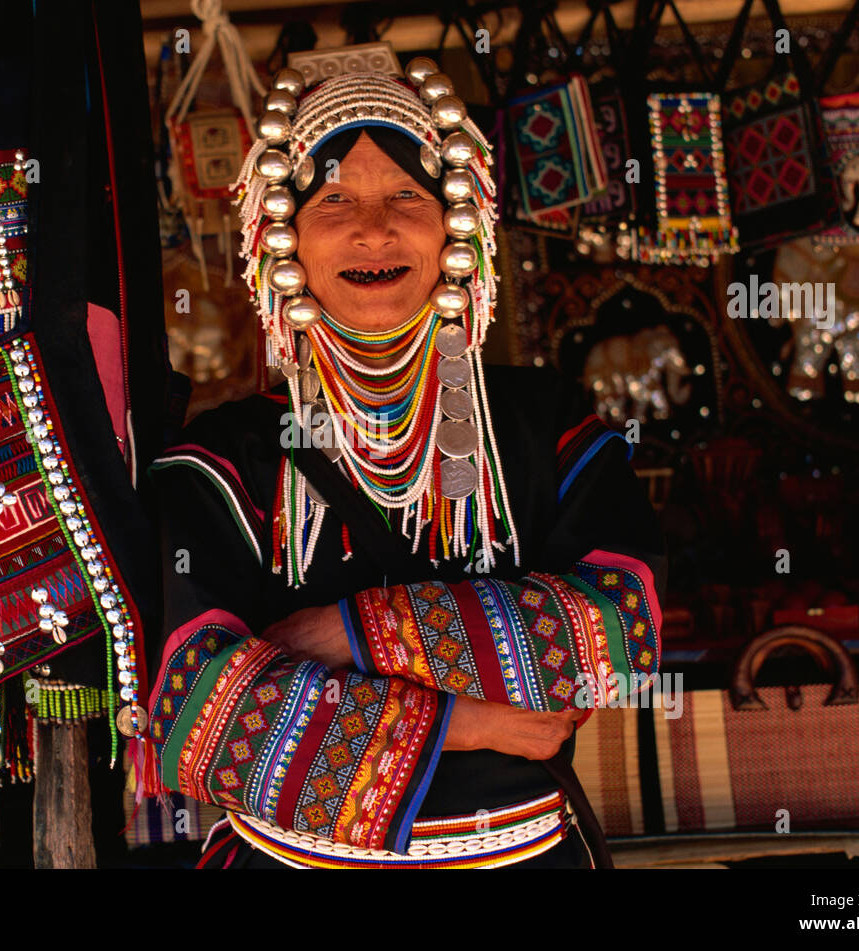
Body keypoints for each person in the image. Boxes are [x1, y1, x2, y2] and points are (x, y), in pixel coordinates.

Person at [145, 46, 665, 868]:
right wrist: (477, 721)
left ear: (458, 223)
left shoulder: (546, 423)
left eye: (406, 196)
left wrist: (352, 635)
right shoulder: (222, 460)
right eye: (334, 200)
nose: (373, 229)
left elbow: (618, 632)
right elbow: (200, 719)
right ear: (285, 241)